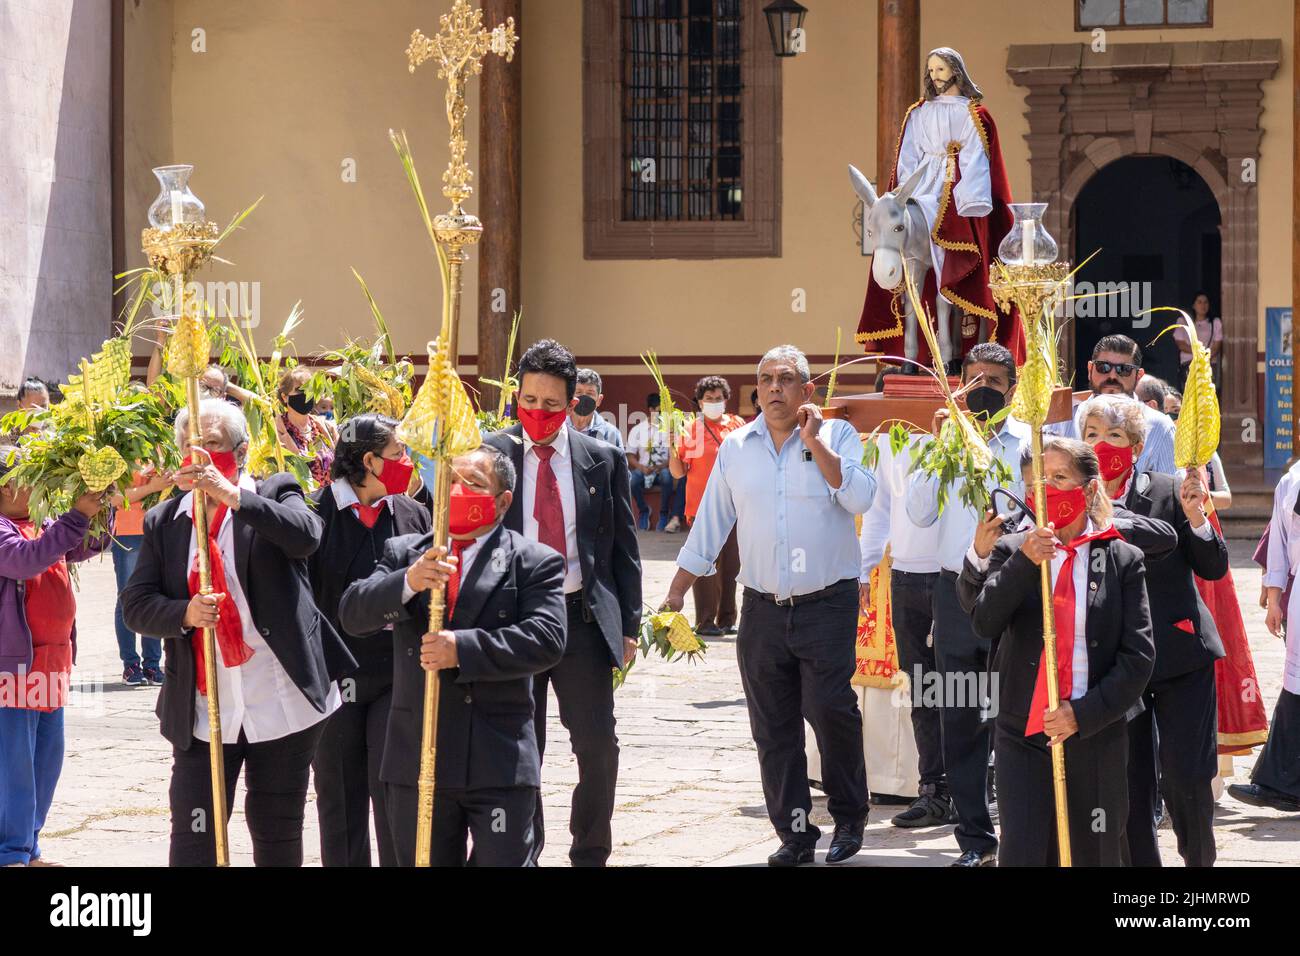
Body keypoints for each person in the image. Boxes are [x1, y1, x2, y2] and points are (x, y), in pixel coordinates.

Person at [664, 344, 878, 867]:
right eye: (766, 379)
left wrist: (816, 444)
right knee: (773, 724)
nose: (775, 388)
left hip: (828, 603)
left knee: (830, 711)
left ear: (809, 391)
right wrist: (675, 590)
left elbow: (861, 498)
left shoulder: (838, 435)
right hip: (761, 609)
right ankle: (797, 835)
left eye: (786, 379)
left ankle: (850, 817)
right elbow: (711, 522)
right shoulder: (736, 448)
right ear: (756, 391)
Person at [120, 399, 356, 866]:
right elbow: (136, 605)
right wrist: (184, 612)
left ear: (241, 451)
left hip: (279, 696)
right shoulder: (166, 521)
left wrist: (232, 496)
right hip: (205, 707)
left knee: (275, 827)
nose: (203, 454)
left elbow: (307, 535)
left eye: (214, 444)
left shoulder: (276, 490)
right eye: (193, 445)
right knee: (194, 830)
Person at [339, 446, 567, 866]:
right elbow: (353, 613)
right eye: (452, 483)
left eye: (474, 485)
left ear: (503, 500)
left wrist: (463, 648)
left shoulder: (533, 561)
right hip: (419, 756)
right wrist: (407, 582)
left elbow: (546, 638)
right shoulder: (405, 552)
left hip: (497, 757)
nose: (459, 492)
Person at [482, 339, 642, 867]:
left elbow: (623, 548)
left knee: (598, 749)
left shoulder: (603, 459)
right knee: (521, 749)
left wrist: (630, 624)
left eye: (551, 404)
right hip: (513, 623)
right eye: (528, 401)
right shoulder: (490, 455)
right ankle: (523, 850)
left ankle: (590, 850)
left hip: (581, 620)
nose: (538, 413)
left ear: (572, 403)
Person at [971, 438, 1155, 866]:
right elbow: (984, 621)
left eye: (1060, 478)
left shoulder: (1121, 558)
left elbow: (1138, 657)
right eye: (1040, 481)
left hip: (1095, 732)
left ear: (1089, 490)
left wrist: (1083, 713)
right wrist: (1025, 562)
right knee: (1025, 850)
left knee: (1094, 847)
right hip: (1023, 731)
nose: (1049, 490)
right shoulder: (1012, 550)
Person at [1078, 394, 1227, 867]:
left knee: (1186, 777)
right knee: (1129, 783)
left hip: (1180, 654)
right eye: (1091, 436)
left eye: (1114, 436)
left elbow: (1214, 566)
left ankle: (1199, 864)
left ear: (1137, 447)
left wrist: (1197, 516)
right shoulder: (1068, 503)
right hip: (1119, 668)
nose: (1102, 446)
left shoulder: (1167, 491)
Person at [905, 341, 1029, 867]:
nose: (981, 393)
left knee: (1017, 714)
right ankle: (975, 840)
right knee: (959, 715)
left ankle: (1025, 838)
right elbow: (917, 514)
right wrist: (942, 444)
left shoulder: (1030, 442)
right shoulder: (943, 442)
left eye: (992, 385)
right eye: (972, 383)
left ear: (1012, 389)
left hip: (1017, 594)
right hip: (956, 594)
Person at [307, 414, 429, 867]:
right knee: (338, 793)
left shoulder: (413, 512)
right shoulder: (316, 516)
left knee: (396, 790)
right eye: (399, 454)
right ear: (370, 461)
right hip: (336, 673)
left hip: (398, 670)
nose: (407, 462)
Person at [857, 47, 1020, 367]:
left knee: (946, 230)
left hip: (957, 192)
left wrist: (968, 198)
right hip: (922, 186)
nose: (935, 76)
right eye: (931, 70)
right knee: (910, 226)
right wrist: (905, 191)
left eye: (941, 70)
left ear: (956, 72)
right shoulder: (918, 112)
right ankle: (913, 348)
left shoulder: (974, 114)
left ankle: (954, 341)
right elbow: (907, 157)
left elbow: (975, 159)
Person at [0, 446, 111, 867]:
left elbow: (89, 542)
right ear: (6, 486)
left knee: (47, 759)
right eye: (26, 478)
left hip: (51, 660)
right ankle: (9, 852)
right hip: (12, 664)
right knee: (16, 766)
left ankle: (29, 845)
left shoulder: (38, 524)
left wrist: (100, 505)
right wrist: (76, 515)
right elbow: (26, 561)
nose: (33, 486)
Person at [858, 417, 942, 822]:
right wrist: (864, 569)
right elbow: (879, 510)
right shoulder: (891, 436)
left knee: (972, 688)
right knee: (924, 689)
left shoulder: (980, 432)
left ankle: (976, 787)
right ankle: (934, 789)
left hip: (960, 573)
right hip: (907, 575)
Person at [1230, 458, 1300, 812]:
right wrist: (1274, 598)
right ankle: (1279, 782)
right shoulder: (1291, 482)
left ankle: (1278, 781)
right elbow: (1280, 543)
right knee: (1295, 686)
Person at [668, 375, 746, 636]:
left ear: (726, 400)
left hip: (735, 506)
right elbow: (679, 472)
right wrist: (671, 446)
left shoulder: (737, 425)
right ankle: (705, 621)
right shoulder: (691, 430)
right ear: (700, 402)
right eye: (708, 399)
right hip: (700, 507)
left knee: (731, 565)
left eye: (718, 398)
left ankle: (727, 618)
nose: (714, 403)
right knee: (703, 564)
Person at [1050, 335, 1177, 475]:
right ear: (1090, 369)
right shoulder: (1063, 420)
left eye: (1124, 369)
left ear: (1138, 376)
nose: (1112, 376)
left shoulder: (1160, 427)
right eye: (1103, 367)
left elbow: (1172, 490)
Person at [111, 468, 173, 686]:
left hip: (158, 528)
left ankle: (153, 664)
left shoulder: (161, 447)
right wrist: (152, 487)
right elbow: (114, 497)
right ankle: (130, 664)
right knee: (127, 598)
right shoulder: (119, 448)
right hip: (128, 532)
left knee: (155, 596)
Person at [627, 393, 684, 532]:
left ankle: (664, 513)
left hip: (663, 469)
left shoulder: (670, 430)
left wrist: (662, 466)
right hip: (644, 470)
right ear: (651, 410)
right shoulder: (638, 430)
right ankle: (644, 510)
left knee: (666, 476)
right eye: (659, 411)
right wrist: (641, 467)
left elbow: (677, 454)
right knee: (632, 480)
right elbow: (629, 455)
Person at [276, 366, 338, 488]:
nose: (306, 395)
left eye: (310, 389)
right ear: (284, 397)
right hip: (298, 502)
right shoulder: (276, 430)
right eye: (300, 390)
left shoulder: (325, 427)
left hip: (331, 501)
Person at [1173, 292, 1223, 393]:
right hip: (1189, 365)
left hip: (1208, 366)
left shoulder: (1215, 322)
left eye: (1205, 302)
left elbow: (1217, 346)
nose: (1203, 305)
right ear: (1193, 305)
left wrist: (1204, 359)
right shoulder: (1183, 321)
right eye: (1199, 302)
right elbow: (1181, 344)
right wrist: (1199, 353)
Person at [569, 368, 623, 450]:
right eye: (578, 392)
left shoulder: (610, 434)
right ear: (570, 397)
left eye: (589, 393)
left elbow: (619, 462)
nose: (584, 398)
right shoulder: (557, 428)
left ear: (599, 400)